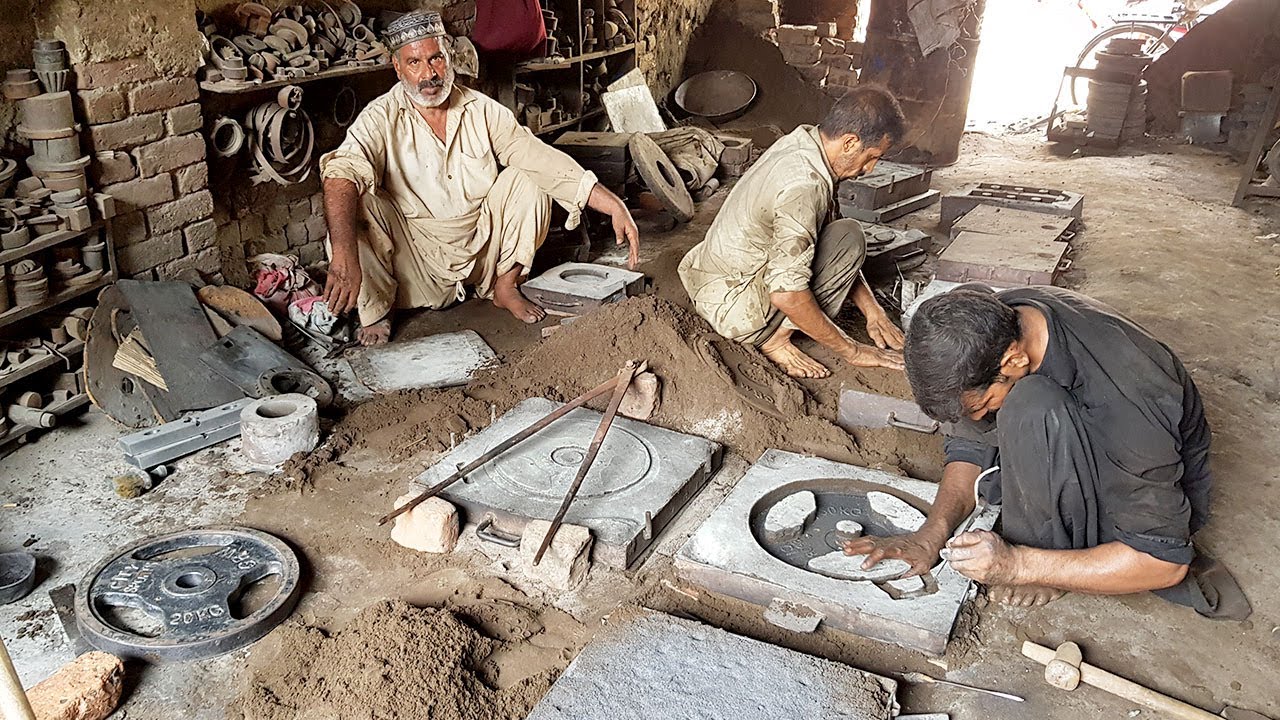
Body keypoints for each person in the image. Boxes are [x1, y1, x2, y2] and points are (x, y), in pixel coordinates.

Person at [845, 285, 1249, 619]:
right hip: (1077, 427)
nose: (980, 417)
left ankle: (1053, 555)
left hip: (1136, 472)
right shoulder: (995, 323)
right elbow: (970, 440)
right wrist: (930, 535)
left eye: (982, 406)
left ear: (1013, 359)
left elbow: (1163, 563)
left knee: (1029, 405)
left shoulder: (1129, 394)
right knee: (1022, 407)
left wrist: (1019, 565)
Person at [319, 11, 640, 346]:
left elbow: (537, 157)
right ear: (397, 68)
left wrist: (612, 204)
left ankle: (505, 285)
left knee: (528, 177)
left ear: (449, 57)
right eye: (414, 63)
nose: (429, 74)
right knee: (357, 202)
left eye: (436, 58)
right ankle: (377, 310)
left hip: (482, 250)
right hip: (416, 259)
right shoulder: (380, 116)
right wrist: (343, 253)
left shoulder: (481, 110)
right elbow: (342, 171)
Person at [677, 86, 908, 378]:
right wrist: (853, 350)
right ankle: (774, 339)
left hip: (709, 277)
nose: (870, 169)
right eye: (872, 156)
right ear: (850, 142)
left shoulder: (805, 143)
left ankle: (772, 329)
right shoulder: (804, 185)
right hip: (732, 308)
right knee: (848, 238)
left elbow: (832, 236)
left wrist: (873, 311)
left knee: (846, 234)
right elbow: (787, 294)